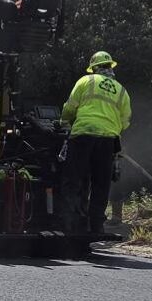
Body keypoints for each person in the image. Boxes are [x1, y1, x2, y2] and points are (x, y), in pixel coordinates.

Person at [60, 50, 131, 238]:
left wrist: (64, 122)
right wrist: (110, 127)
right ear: (110, 67)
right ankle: (96, 226)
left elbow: (70, 107)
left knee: (75, 179)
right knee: (101, 184)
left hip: (83, 135)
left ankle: (71, 223)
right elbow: (125, 121)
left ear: (94, 68)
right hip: (108, 140)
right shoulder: (122, 90)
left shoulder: (86, 81)